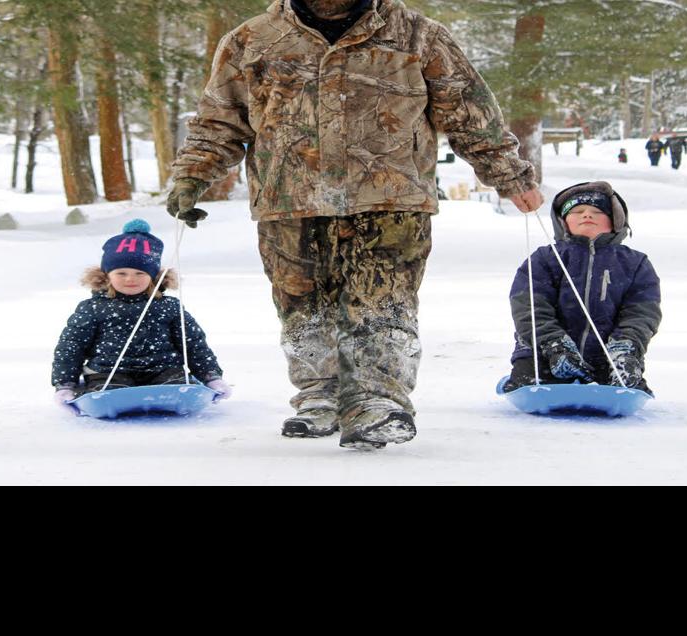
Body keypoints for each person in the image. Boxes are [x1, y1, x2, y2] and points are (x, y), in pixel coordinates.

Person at [165, 0, 543, 450]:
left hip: (390, 198)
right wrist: (192, 175)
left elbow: (468, 112)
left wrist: (508, 174)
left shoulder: (417, 35)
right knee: (303, 306)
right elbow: (219, 121)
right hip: (289, 200)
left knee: (382, 303)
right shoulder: (251, 40)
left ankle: (378, 402)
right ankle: (319, 396)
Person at [51, 220, 230, 411]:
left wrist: (211, 376)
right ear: (107, 276)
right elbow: (71, 347)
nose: (130, 279)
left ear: (153, 277)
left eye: (139, 273)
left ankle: (175, 392)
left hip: (163, 370)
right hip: (107, 371)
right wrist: (65, 384)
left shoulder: (168, 307)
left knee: (178, 384)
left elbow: (193, 343)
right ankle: (108, 395)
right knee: (106, 390)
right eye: (121, 273)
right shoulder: (93, 308)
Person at [502, 181, 662, 395]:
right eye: (577, 211)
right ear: (563, 222)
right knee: (529, 379)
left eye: (597, 211)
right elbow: (529, 305)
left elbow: (642, 312)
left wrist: (625, 347)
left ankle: (619, 371)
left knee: (626, 383)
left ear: (615, 219)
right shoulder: (545, 259)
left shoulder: (635, 263)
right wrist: (553, 343)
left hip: (606, 357)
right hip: (544, 353)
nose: (587, 215)